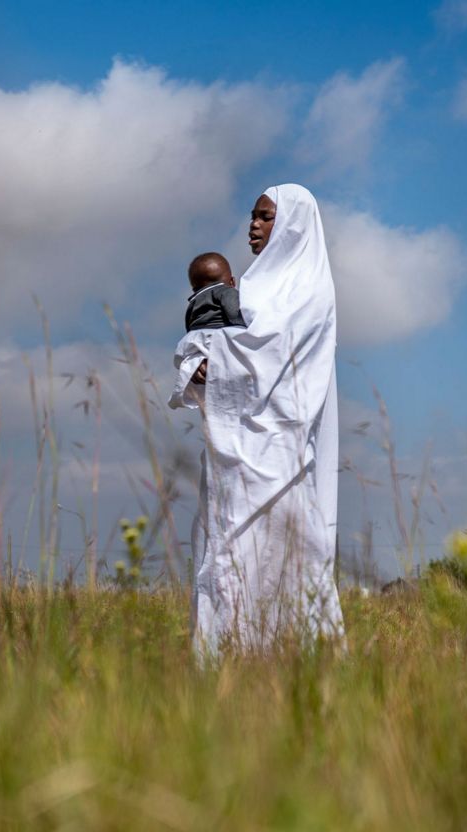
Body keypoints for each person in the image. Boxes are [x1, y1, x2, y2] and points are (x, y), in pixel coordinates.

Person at [176, 185, 344, 655]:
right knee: (229, 557)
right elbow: (200, 340)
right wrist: (195, 360)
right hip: (233, 453)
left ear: (290, 223)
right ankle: (226, 669)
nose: (253, 225)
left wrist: (219, 357)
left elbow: (272, 354)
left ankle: (302, 668)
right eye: (253, 216)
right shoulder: (243, 288)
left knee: (292, 556)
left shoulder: (310, 290)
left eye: (266, 217)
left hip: (282, 453)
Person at [168, 252, 245, 409]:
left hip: (198, 343)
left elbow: (189, 327)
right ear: (232, 281)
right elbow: (234, 312)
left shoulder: (192, 303)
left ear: (194, 287)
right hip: (220, 337)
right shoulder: (226, 291)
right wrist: (246, 328)